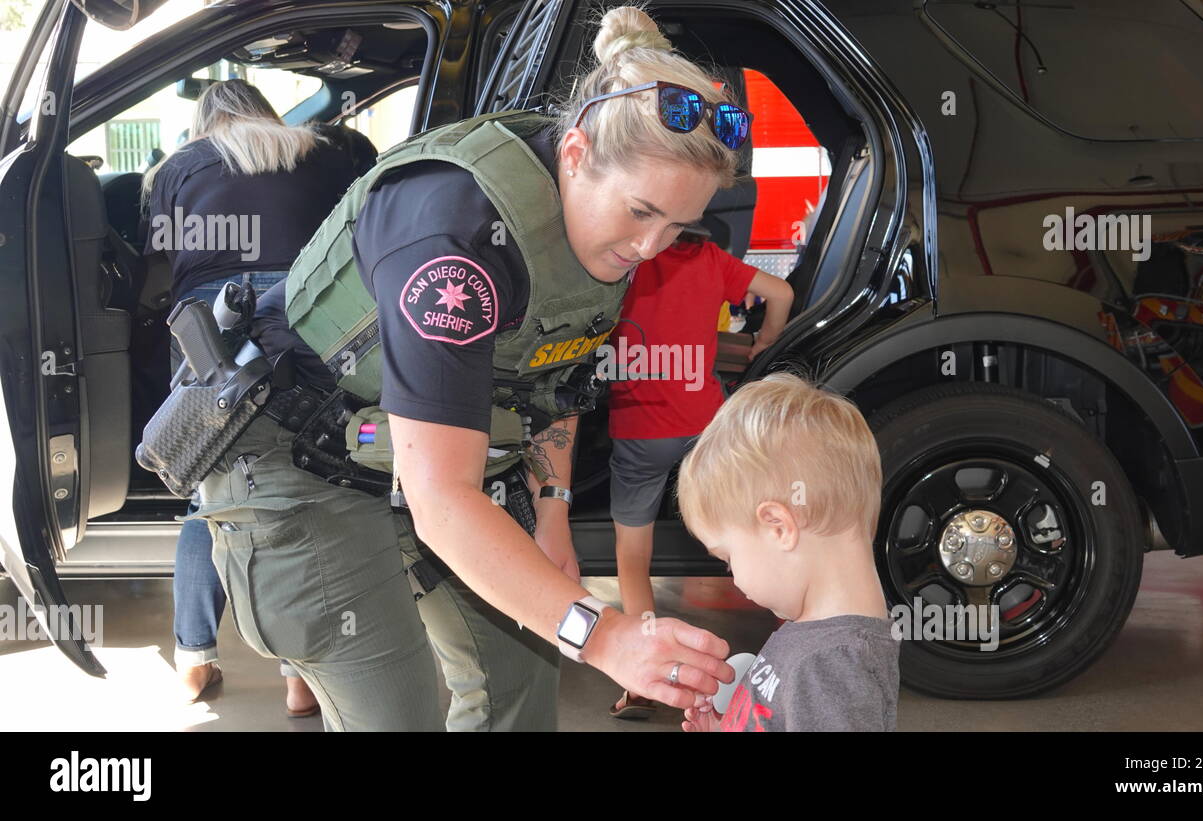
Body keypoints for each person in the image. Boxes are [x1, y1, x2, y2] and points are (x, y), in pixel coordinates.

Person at [171, 5, 745, 731]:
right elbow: (442, 501)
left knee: (521, 681)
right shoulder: (455, 238)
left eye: (676, 227)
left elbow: (552, 368)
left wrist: (553, 515)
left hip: (422, 446)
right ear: (573, 153)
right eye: (641, 213)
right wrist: (604, 633)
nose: (651, 246)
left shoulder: (610, 227)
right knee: (398, 711)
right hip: (301, 459)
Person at [142, 78, 369, 714]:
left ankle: (194, 659)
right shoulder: (322, 152)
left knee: (208, 492)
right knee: (308, 485)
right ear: (266, 113)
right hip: (301, 312)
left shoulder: (178, 166)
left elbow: (160, 255)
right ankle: (301, 678)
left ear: (203, 122)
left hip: (210, 321)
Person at [605, 230, 793, 719]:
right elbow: (782, 293)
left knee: (632, 556)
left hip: (639, 433)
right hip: (706, 429)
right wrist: (766, 339)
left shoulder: (626, 258)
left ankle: (645, 675)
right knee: (743, 538)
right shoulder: (711, 259)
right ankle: (790, 639)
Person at [676, 373, 900, 731]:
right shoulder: (815, 640)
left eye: (728, 557)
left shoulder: (830, 667)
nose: (732, 577)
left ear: (779, 527)